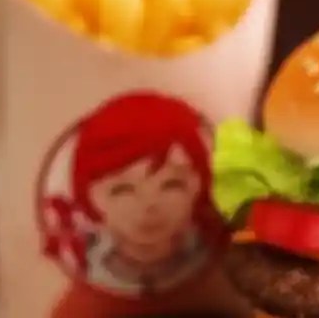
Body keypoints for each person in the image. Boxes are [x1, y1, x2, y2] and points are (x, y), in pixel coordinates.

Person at [41, 92, 245, 316]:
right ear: (89, 197)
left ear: (200, 186)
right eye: (122, 190)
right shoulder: (83, 270)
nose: (149, 205)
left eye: (171, 185)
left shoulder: (224, 270)